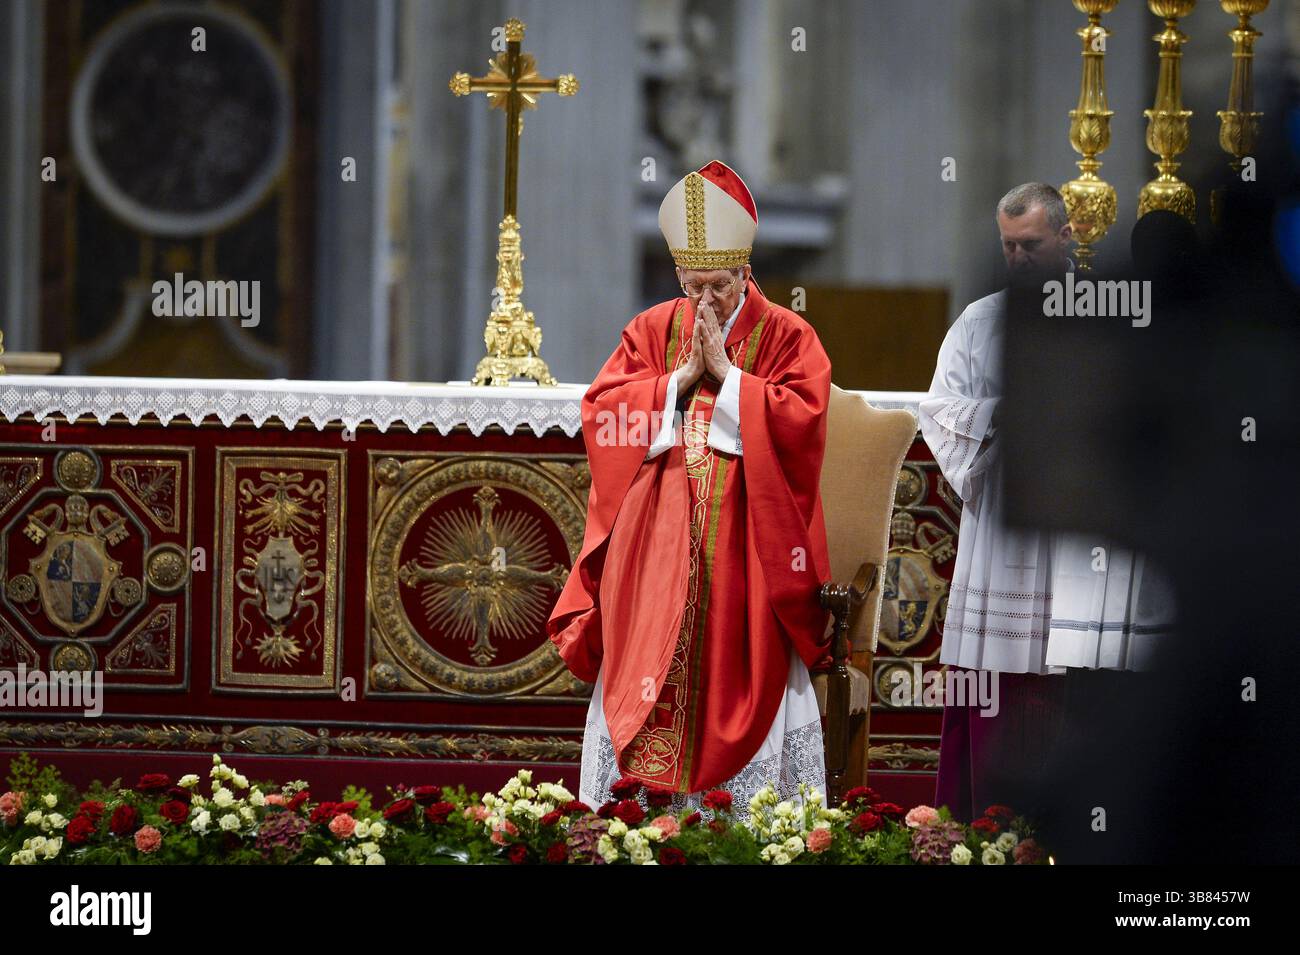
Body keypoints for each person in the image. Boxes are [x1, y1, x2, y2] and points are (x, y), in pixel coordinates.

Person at [546, 160, 833, 819]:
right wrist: (677, 383)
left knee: (741, 634)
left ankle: (752, 824)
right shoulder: (651, 331)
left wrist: (730, 377)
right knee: (645, 629)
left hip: (749, 560)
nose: (709, 300)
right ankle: (633, 825)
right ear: (677, 276)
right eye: (696, 284)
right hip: (655, 557)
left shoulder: (791, 336)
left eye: (722, 285)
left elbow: (805, 424)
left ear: (746, 273)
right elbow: (604, 414)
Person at [919, 182, 1073, 822]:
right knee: (998, 688)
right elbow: (941, 413)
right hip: (1003, 535)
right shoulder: (980, 323)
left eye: (1031, 245)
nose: (1018, 260)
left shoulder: (1111, 315)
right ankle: (983, 830)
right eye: (1008, 247)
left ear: (1067, 237)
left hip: (1078, 541)